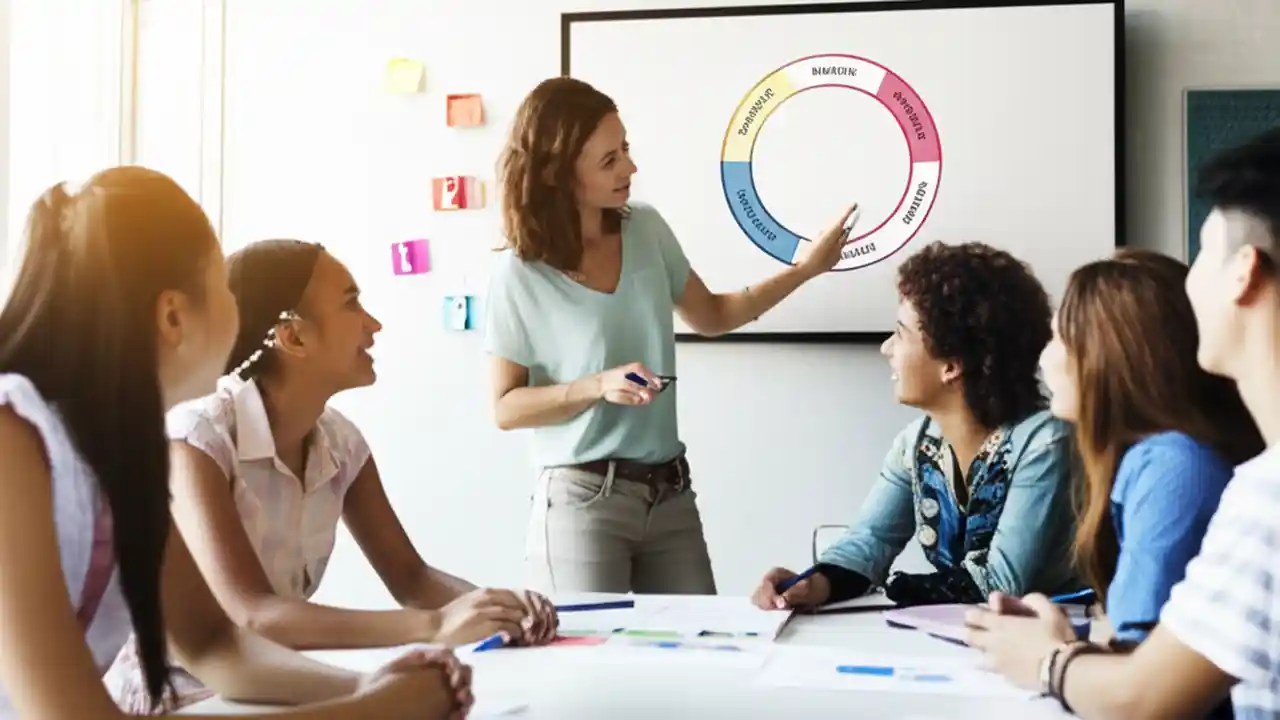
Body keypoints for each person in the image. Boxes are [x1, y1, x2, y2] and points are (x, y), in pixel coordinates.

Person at [0, 167, 469, 719]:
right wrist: (379, 709)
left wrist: (364, 685)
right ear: (173, 315)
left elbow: (215, 643)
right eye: (222, 285)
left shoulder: (124, 448)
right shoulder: (14, 438)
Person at [112, 239, 557, 712]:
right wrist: (433, 626)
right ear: (293, 337)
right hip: (175, 700)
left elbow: (411, 578)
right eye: (352, 303)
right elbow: (252, 615)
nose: (374, 325)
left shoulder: (341, 444)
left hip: (279, 686)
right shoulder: (196, 438)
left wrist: (501, 608)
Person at [484, 76, 857, 595]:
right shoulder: (518, 274)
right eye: (608, 160)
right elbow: (505, 408)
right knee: (591, 664)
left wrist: (806, 269)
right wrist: (596, 386)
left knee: (700, 660)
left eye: (626, 150)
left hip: (670, 493)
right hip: (580, 498)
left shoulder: (646, 228)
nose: (630, 169)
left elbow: (713, 315)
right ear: (555, 173)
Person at [966, 127, 1280, 719]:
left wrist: (1048, 661)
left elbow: (1142, 701)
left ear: (1244, 271)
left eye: (1204, 253)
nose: (1189, 284)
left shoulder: (1246, 490)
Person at [752, 241, 1079, 609]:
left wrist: (894, 587)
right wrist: (815, 583)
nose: (886, 348)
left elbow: (1000, 583)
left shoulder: (1045, 443)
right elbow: (870, 541)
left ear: (952, 365)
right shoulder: (916, 443)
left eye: (901, 334)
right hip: (972, 636)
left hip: (1057, 637)